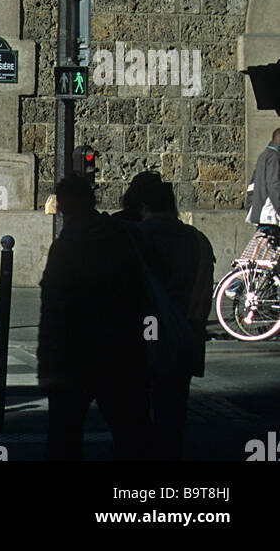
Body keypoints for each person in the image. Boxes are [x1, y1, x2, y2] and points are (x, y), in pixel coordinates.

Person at [38, 173, 152, 461]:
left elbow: (53, 308)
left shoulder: (66, 246)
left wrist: (47, 362)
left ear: (64, 206)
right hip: (120, 350)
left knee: (64, 438)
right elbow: (138, 292)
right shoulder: (119, 235)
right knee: (129, 432)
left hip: (72, 355)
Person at [130, 175, 215, 460]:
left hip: (139, 341)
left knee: (137, 419)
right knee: (174, 419)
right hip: (184, 340)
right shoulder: (199, 241)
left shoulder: (134, 237)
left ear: (142, 205)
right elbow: (204, 297)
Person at [246, 127, 280, 229]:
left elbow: (252, 186)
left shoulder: (264, 155)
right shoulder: (274, 157)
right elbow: (274, 185)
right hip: (270, 213)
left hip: (262, 211)